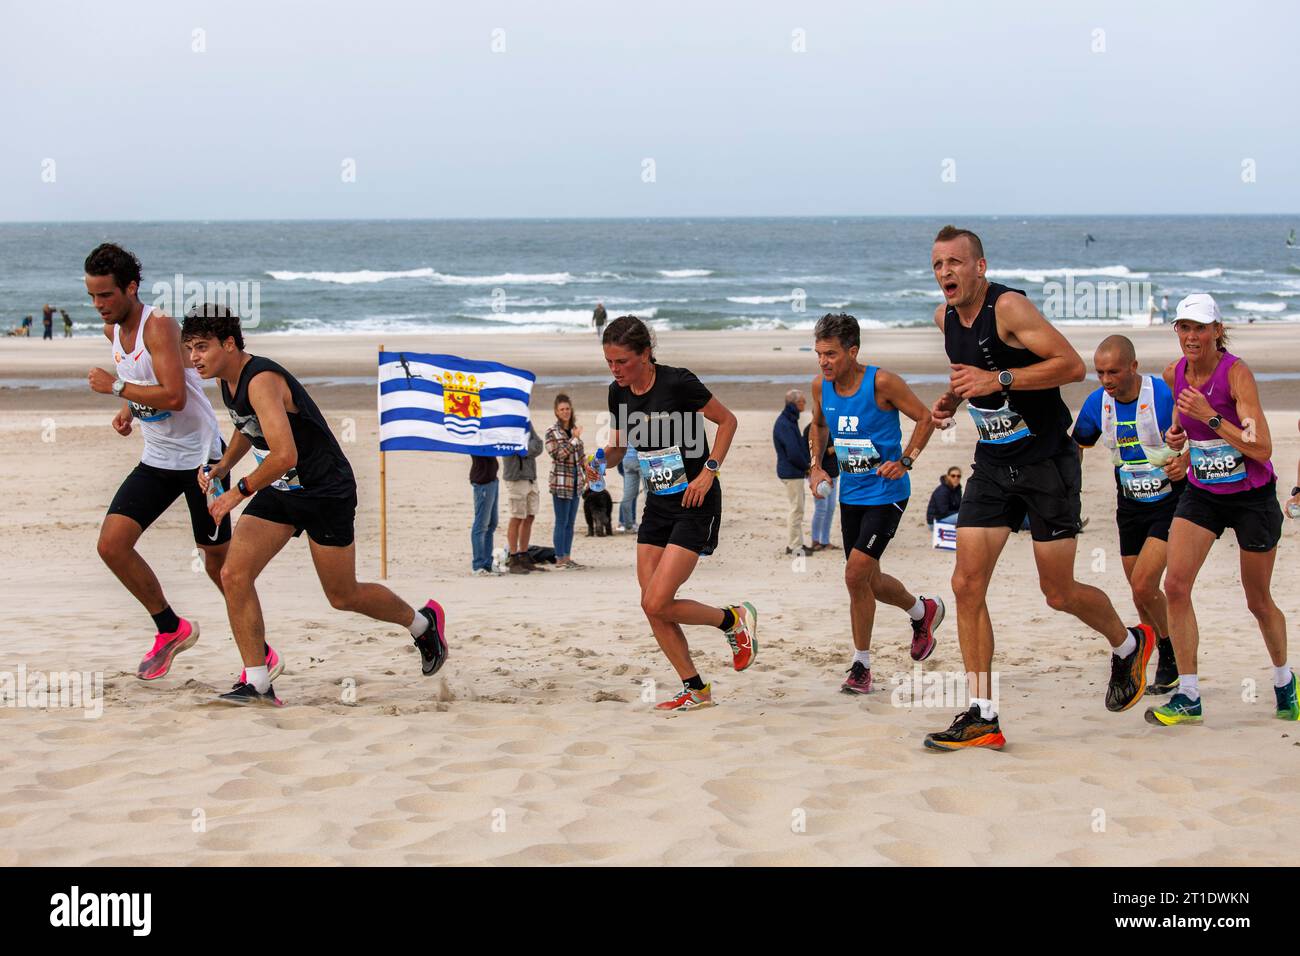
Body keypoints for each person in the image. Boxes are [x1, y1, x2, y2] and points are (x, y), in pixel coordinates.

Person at [925, 225, 1154, 752]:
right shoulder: (944, 319)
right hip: (991, 464)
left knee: (1058, 593)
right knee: (965, 585)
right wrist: (954, 399)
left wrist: (999, 381)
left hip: (1047, 462)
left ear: (979, 267)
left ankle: (1127, 644)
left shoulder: (1009, 310)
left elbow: (1072, 367)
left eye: (955, 263)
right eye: (938, 265)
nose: (945, 274)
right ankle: (983, 715)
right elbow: (972, 374)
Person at [182, 306, 447, 705]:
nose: (194, 358)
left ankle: (423, 625)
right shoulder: (227, 380)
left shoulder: (262, 380)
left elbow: (285, 453)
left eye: (202, 347)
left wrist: (236, 490)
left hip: (325, 491)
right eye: (189, 349)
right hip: (284, 490)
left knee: (343, 595)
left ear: (229, 344)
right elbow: (247, 427)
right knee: (234, 575)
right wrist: (223, 463)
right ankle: (257, 682)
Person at [586, 315, 757, 711]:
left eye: (622, 361)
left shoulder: (678, 382)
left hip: (695, 503)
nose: (615, 370)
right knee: (652, 605)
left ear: (645, 354)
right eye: (609, 362)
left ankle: (731, 619)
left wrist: (709, 472)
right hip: (657, 504)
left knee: (657, 601)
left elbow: (727, 421)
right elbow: (616, 449)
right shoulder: (619, 393)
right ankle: (694, 688)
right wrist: (598, 461)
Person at [83, 243, 231, 681]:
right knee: (112, 545)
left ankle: (258, 652)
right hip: (160, 459)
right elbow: (143, 383)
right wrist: (129, 410)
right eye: (92, 296)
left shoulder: (160, 326)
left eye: (106, 295)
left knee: (220, 567)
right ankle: (170, 627)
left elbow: (174, 394)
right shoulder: (114, 334)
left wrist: (115, 391)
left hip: (204, 463)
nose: (99, 306)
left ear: (131, 288)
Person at [1146, 294, 1295, 725]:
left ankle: (1285, 680)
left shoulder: (1237, 375)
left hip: (1252, 496)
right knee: (1175, 585)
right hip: (1203, 494)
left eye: (1200, 328)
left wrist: (1211, 418)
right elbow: (1183, 418)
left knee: (1257, 599)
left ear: (1216, 330)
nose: (1191, 336)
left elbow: (1262, 448)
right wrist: (1179, 441)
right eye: (1184, 327)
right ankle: (1189, 695)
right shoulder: (1175, 371)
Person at [806, 313, 945, 693]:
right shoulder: (821, 387)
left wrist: (905, 461)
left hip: (887, 495)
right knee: (867, 579)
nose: (824, 362)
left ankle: (861, 666)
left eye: (831, 354)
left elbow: (924, 418)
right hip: (851, 495)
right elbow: (817, 426)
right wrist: (816, 466)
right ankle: (922, 611)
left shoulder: (882, 382)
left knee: (854, 575)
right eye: (819, 354)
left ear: (853, 351)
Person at [1072, 335, 1187, 697]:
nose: (1107, 379)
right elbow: (1079, 443)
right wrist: (1068, 492)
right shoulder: (1097, 403)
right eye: (1100, 372)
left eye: (1114, 371)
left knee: (1144, 584)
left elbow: (1198, 436)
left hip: (1172, 502)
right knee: (1140, 594)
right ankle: (1168, 653)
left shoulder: (1163, 395)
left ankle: (1170, 654)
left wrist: (1184, 462)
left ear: (1133, 367)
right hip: (1130, 504)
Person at [499, 421, 546, 573]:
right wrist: (525, 447)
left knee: (530, 516)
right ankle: (513, 558)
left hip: (531, 475)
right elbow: (509, 447)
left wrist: (524, 448)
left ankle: (524, 555)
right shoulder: (505, 422)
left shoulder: (525, 422)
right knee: (517, 516)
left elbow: (538, 444)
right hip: (515, 476)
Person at [545, 394, 586, 569]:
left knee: (570, 522)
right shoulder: (551, 432)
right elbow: (558, 455)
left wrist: (590, 473)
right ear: (556, 411)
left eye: (567, 408)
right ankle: (559, 558)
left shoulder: (574, 430)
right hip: (561, 483)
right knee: (561, 521)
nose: (565, 412)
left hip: (576, 483)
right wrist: (574, 439)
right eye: (562, 409)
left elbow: (581, 457)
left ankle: (567, 557)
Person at [774, 389, 813, 555]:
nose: (804, 404)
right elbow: (793, 452)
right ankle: (794, 545)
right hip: (791, 472)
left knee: (797, 508)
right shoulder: (785, 423)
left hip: (792, 470)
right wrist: (806, 466)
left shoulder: (789, 420)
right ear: (795, 403)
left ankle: (797, 543)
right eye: (803, 401)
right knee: (796, 509)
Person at [803, 421, 837, 549]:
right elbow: (823, 451)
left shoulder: (832, 427)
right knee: (821, 508)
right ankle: (816, 540)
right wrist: (839, 446)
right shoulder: (811, 430)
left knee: (831, 508)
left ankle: (825, 540)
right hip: (820, 476)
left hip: (834, 475)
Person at [469, 453, 501, 575]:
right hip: (483, 481)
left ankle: (487, 563)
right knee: (481, 524)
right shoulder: (477, 437)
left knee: (492, 523)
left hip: (492, 479)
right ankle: (478, 564)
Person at [617, 444, 641, 533]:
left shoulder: (625, 429)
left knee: (628, 495)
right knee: (650, 494)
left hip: (627, 459)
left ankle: (628, 525)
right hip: (641, 457)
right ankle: (652, 524)